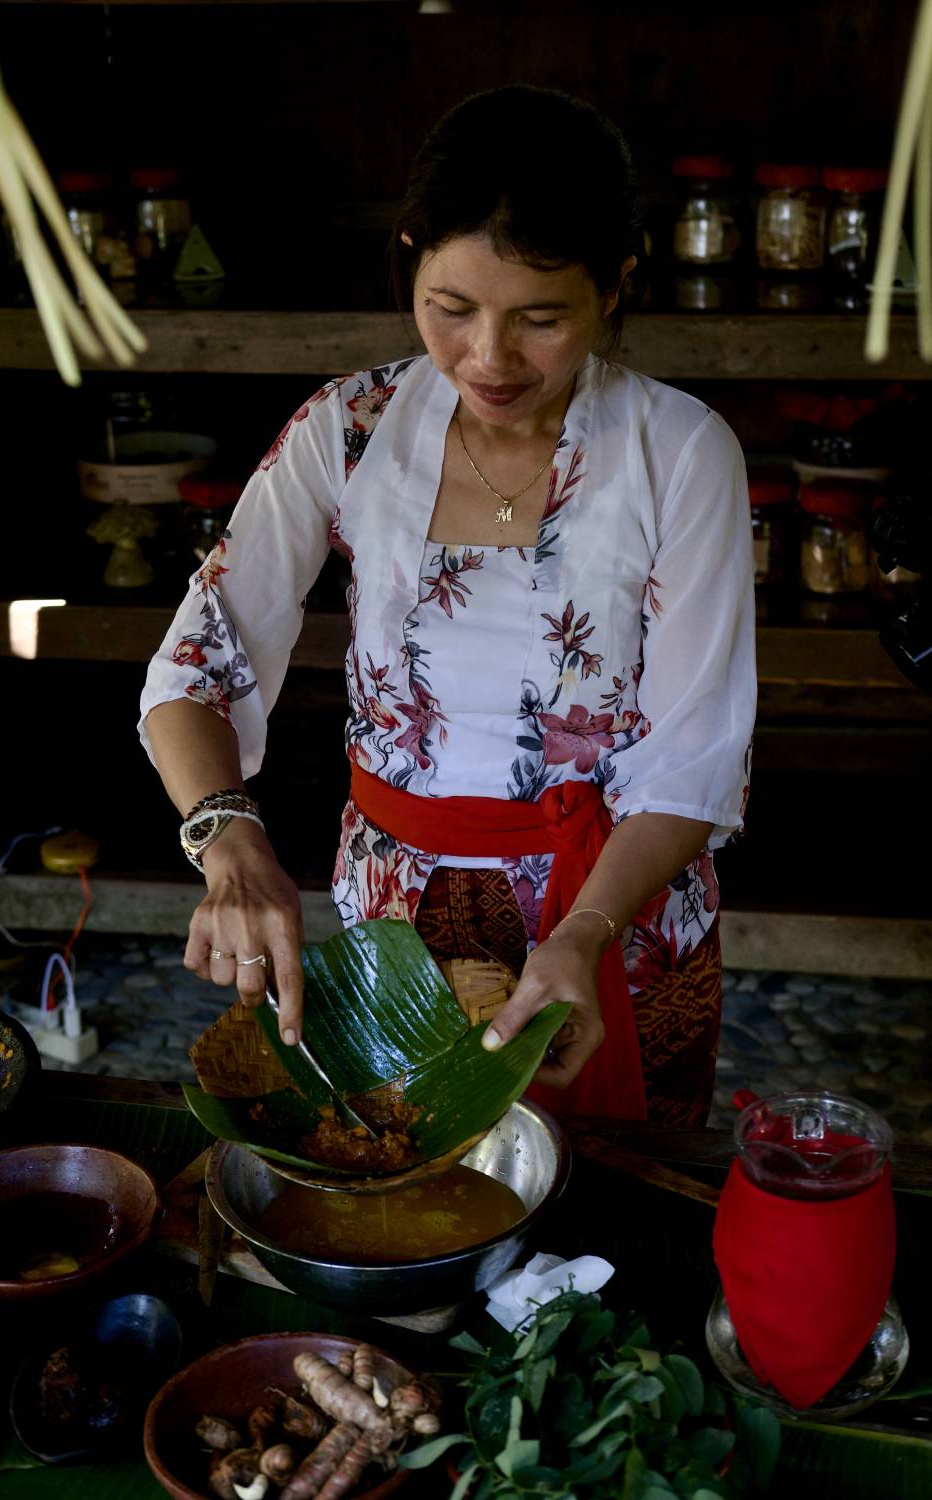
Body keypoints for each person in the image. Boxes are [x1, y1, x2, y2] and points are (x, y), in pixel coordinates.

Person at [140, 85, 755, 1127]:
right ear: (409, 259)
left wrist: (585, 931)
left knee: (613, 1216)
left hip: (613, 917)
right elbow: (198, 663)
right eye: (451, 308)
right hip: (395, 924)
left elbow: (693, 755)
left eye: (541, 318)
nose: (489, 359)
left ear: (618, 287)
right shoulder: (351, 428)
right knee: (394, 1181)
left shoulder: (680, 453)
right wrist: (227, 836)